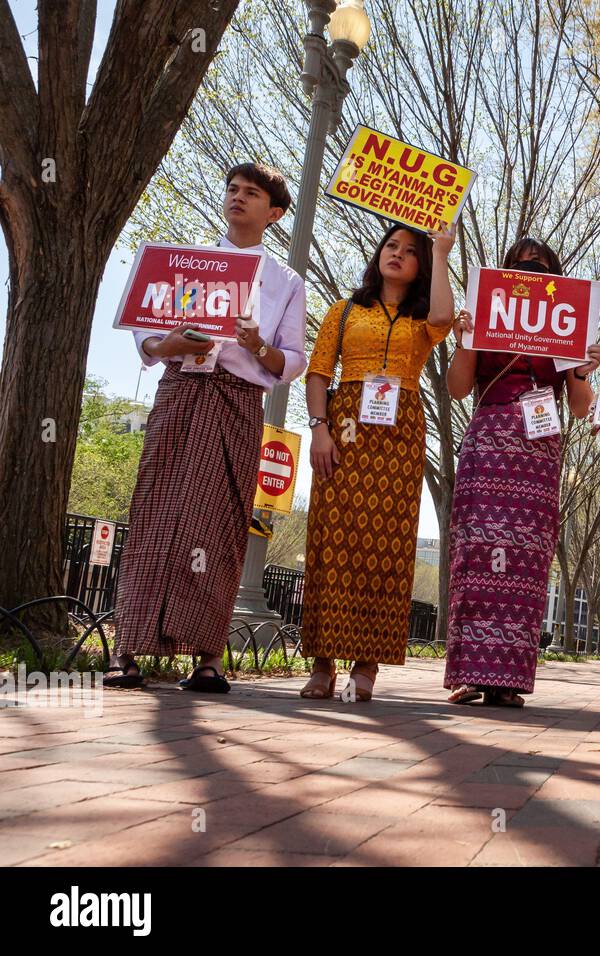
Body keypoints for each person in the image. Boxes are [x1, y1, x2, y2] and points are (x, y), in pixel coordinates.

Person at [106, 162, 307, 692]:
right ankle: (128, 649)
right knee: (155, 510)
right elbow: (148, 339)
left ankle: (209, 656)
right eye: (233, 190)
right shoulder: (185, 262)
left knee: (217, 520)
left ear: (275, 212)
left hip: (237, 400)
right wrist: (167, 345)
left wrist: (255, 343)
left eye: (252, 193)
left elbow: (290, 361)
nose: (238, 198)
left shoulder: (286, 281)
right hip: (178, 391)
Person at [297, 224, 456, 701]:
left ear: (420, 267)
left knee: (387, 542)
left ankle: (367, 663)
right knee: (331, 537)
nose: (398, 255)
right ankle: (321, 661)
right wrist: (319, 427)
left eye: (411, 252)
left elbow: (446, 318)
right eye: (391, 246)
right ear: (378, 252)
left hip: (401, 426)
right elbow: (319, 372)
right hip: (344, 421)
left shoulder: (422, 320)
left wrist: (442, 251)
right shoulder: (343, 312)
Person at [443, 238, 600, 707]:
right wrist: (466, 340)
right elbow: (456, 389)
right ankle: (470, 672)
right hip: (488, 435)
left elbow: (579, 407)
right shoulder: (485, 316)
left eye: (541, 267)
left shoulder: (565, 328)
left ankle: (508, 678)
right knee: (477, 552)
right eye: (518, 266)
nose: (529, 272)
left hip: (538, 448)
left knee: (527, 560)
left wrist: (578, 368)